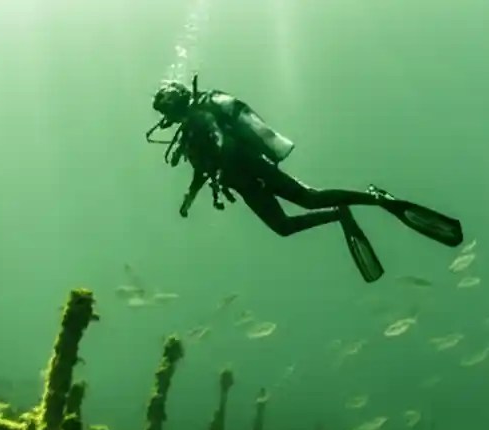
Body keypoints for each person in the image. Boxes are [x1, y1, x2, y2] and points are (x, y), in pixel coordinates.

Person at [146, 76, 465, 283]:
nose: (165, 117)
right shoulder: (190, 130)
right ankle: (343, 211)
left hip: (257, 171)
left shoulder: (201, 116)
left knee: (308, 198)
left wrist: (216, 156)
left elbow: (219, 146)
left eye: (165, 109)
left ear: (174, 103)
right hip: (244, 185)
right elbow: (202, 168)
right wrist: (189, 197)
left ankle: (376, 198)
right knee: (285, 226)